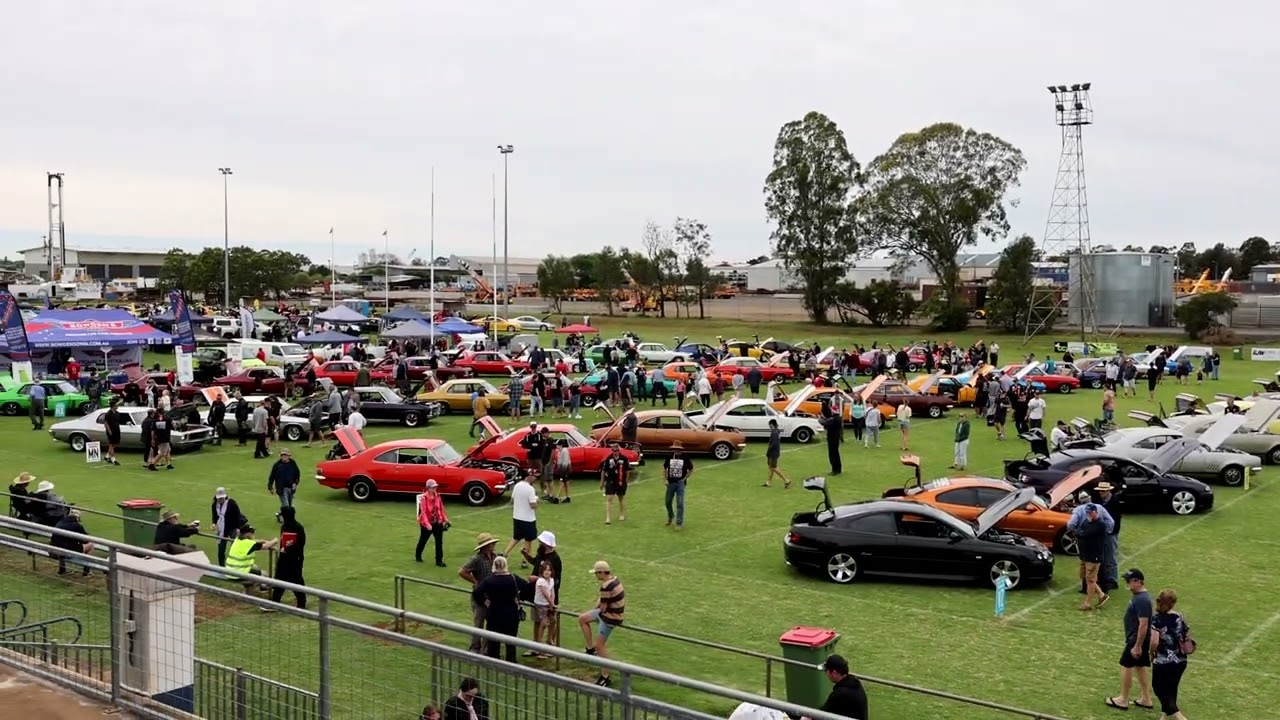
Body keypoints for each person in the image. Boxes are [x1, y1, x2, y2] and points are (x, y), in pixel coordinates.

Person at [1106, 568, 1155, 711]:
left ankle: (1123, 699)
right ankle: (1146, 698)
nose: (1127, 583)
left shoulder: (1142, 600)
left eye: (1129, 580)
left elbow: (1143, 624)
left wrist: (1137, 646)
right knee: (1140, 667)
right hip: (1137, 639)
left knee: (1126, 665)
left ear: (1138, 582)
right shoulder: (1139, 597)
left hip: (1136, 640)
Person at [474, 555, 530, 663]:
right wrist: (520, 598)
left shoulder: (489, 580)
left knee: (494, 641)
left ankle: (494, 661)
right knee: (511, 640)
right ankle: (511, 661)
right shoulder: (513, 578)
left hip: (494, 613)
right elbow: (527, 588)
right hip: (511, 613)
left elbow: (477, 592)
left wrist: (485, 602)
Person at [579, 560, 624, 687]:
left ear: (602, 572)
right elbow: (602, 601)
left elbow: (603, 608)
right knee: (582, 619)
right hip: (608, 613)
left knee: (601, 646)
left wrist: (594, 612)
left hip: (610, 617)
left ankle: (605, 676)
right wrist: (592, 611)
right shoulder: (614, 580)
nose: (595, 576)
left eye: (596, 573)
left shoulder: (606, 586)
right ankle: (589, 648)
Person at [1149, 589, 1193, 720]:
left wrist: (1152, 654)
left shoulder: (1157, 618)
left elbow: (1154, 641)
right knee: (1172, 688)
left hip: (1163, 660)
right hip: (1180, 660)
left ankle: (1178, 716)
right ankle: (1164, 716)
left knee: (1158, 687)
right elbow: (1185, 634)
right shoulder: (1180, 617)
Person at [459, 533, 499, 654]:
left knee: (491, 622)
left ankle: (487, 648)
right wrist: (475, 581)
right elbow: (462, 571)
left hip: (492, 595)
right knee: (479, 621)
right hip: (480, 595)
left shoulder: (495, 557)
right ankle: (475, 647)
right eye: (492, 543)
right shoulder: (477, 559)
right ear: (486, 546)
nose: (494, 545)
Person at [805, 654, 868, 720]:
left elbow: (822, 714)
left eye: (826, 671)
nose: (826, 674)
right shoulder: (855, 683)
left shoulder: (840, 693)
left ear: (834, 673)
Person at [269, 506, 307, 610]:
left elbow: (301, 543)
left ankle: (301, 603)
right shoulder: (284, 527)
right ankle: (275, 602)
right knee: (279, 579)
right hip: (284, 558)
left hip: (295, 559)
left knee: (296, 580)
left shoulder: (298, 527)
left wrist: (289, 548)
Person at [225, 524, 278, 596]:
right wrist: (275, 540)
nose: (253, 534)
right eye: (252, 532)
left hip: (229, 571)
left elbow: (255, 541)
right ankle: (264, 587)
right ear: (247, 534)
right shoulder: (249, 544)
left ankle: (249, 590)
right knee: (264, 574)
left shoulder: (237, 539)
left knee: (255, 567)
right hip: (238, 573)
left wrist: (262, 540)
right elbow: (266, 546)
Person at [1075, 504, 1109, 611]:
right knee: (1086, 577)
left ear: (1095, 512)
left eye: (1090, 512)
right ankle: (1101, 595)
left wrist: (1081, 533)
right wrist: (1081, 533)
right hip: (1086, 555)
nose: (1088, 514)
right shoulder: (1087, 522)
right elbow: (1081, 531)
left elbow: (1085, 534)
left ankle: (1088, 603)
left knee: (1090, 579)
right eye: (1087, 513)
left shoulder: (1100, 525)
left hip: (1094, 556)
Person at [503, 469, 539, 562]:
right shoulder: (530, 489)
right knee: (528, 540)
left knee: (516, 537)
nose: (535, 478)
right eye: (534, 476)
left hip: (517, 517)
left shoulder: (517, 486)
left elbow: (512, 500)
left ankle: (505, 553)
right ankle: (525, 560)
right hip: (528, 519)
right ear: (529, 476)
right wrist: (536, 502)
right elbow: (533, 505)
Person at [415, 480, 449, 567]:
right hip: (427, 523)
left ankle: (439, 561)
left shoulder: (438, 496)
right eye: (433, 487)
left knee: (439, 542)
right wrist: (427, 524)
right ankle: (418, 555)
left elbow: (441, 509)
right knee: (423, 540)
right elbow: (423, 512)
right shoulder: (424, 498)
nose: (435, 488)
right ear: (428, 488)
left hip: (437, 522)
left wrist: (445, 519)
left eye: (435, 487)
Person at [1097, 481, 1123, 592]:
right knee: (1101, 556)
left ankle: (1112, 580)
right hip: (1101, 533)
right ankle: (1104, 578)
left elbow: (1116, 520)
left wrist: (1111, 532)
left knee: (1111, 557)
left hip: (1111, 533)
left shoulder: (1115, 502)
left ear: (1108, 491)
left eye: (1103, 491)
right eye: (1100, 491)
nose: (1101, 493)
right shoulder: (1098, 502)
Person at [52, 509, 95, 576]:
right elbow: (85, 540)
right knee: (91, 545)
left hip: (55, 550)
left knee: (61, 545)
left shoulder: (60, 522)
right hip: (67, 550)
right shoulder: (77, 525)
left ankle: (62, 570)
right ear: (78, 517)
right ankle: (86, 571)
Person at [663, 441, 693, 528]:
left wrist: (684, 479)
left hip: (680, 483)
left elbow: (691, 469)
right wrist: (665, 479)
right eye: (674, 449)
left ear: (680, 449)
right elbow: (665, 468)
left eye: (677, 449)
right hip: (671, 482)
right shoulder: (669, 457)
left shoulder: (685, 457)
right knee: (668, 502)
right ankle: (671, 515)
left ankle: (679, 523)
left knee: (680, 503)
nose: (676, 450)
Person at [530, 560, 557, 657]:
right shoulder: (540, 581)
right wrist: (551, 603)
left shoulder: (552, 580)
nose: (547, 572)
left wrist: (552, 603)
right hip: (540, 605)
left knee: (553, 621)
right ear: (542, 571)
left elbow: (552, 592)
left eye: (549, 570)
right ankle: (539, 644)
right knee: (544, 623)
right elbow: (545, 593)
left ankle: (549, 639)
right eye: (545, 570)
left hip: (548, 604)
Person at [211, 488, 243, 567]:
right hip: (221, 529)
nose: (220, 499)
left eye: (222, 498)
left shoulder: (232, 503)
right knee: (221, 548)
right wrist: (214, 524)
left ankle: (236, 565)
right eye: (219, 498)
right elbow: (215, 516)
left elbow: (237, 515)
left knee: (235, 548)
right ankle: (221, 566)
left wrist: (238, 528)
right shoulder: (214, 505)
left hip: (232, 528)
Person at [600, 442, 629, 524]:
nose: (615, 452)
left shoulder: (624, 459)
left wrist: (625, 481)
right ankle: (608, 518)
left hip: (620, 482)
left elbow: (627, 471)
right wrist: (602, 482)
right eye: (614, 451)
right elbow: (603, 471)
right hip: (611, 481)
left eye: (616, 451)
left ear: (619, 450)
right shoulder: (608, 459)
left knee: (621, 498)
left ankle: (622, 514)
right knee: (609, 499)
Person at [763, 419, 789, 488]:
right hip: (775, 452)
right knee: (771, 467)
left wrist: (768, 451)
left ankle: (786, 480)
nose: (769, 426)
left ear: (772, 424)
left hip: (773, 453)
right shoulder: (777, 431)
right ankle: (768, 482)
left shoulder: (774, 432)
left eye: (770, 425)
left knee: (773, 467)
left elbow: (774, 444)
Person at [820, 407, 842, 475]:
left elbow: (825, 423)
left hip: (832, 439)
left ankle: (834, 470)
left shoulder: (834, 419)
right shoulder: (838, 418)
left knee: (832, 455)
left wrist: (820, 419)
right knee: (836, 454)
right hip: (836, 438)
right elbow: (828, 421)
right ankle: (838, 469)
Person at [552, 439, 573, 504]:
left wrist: (563, 470)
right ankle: (567, 497)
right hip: (561, 469)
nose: (557, 446)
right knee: (565, 483)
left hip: (564, 469)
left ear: (561, 445)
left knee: (562, 482)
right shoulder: (559, 451)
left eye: (558, 445)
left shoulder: (564, 451)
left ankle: (557, 497)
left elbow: (565, 462)